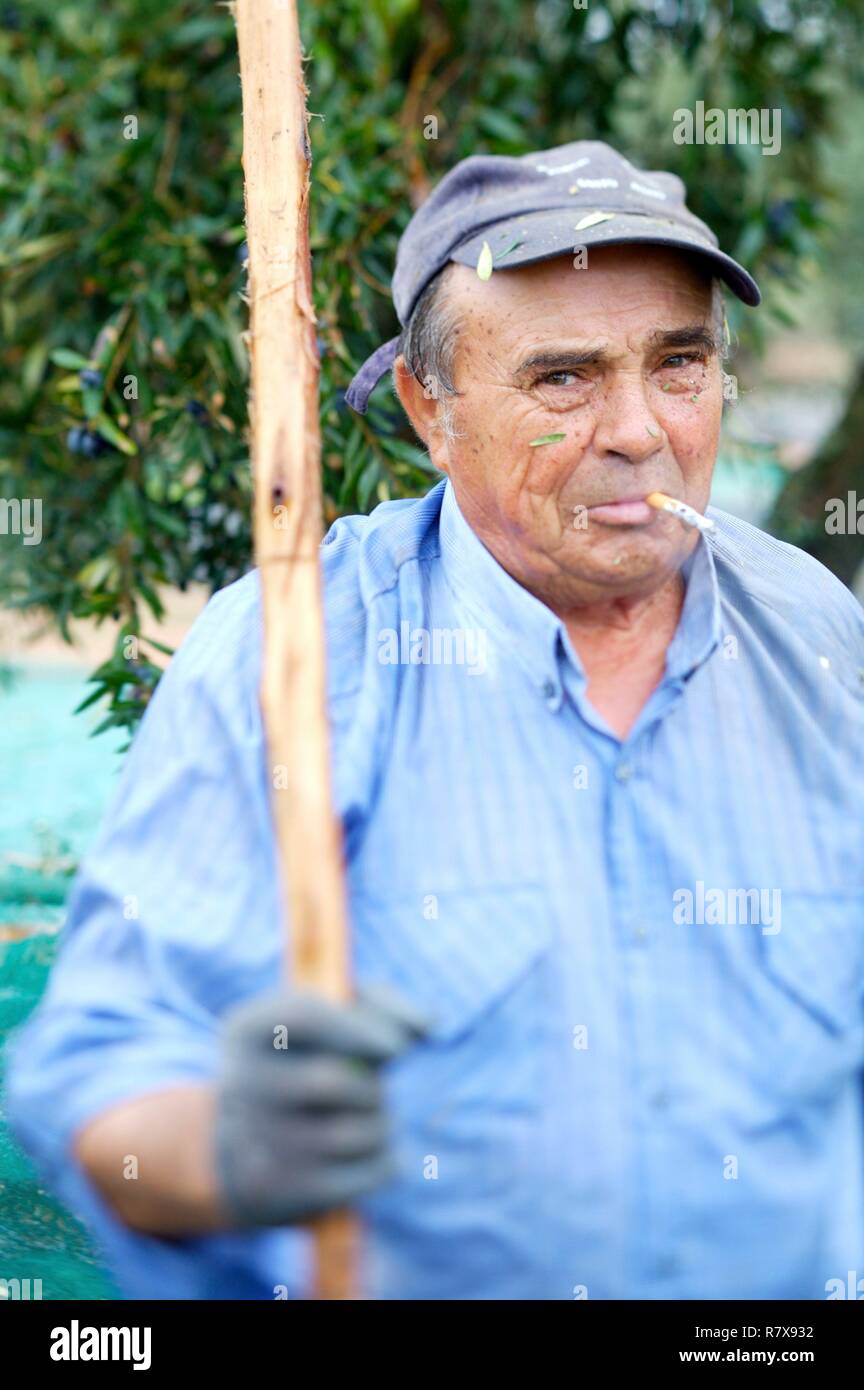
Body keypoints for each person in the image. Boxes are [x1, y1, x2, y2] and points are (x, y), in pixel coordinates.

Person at [7, 141, 864, 1300]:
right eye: (564, 379)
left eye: (680, 364)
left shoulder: (809, 623)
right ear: (431, 409)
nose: (640, 429)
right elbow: (95, 1068)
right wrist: (218, 1149)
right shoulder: (297, 655)